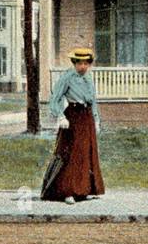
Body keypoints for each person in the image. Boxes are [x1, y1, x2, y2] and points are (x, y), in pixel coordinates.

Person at [42, 48, 105, 203]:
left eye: (86, 63)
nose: (83, 67)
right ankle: (68, 191)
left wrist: (96, 119)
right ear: (74, 63)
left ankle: (86, 189)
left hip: (87, 117)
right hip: (73, 117)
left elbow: (93, 101)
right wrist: (61, 116)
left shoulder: (89, 78)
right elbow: (54, 99)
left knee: (88, 152)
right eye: (79, 63)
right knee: (73, 154)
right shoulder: (67, 78)